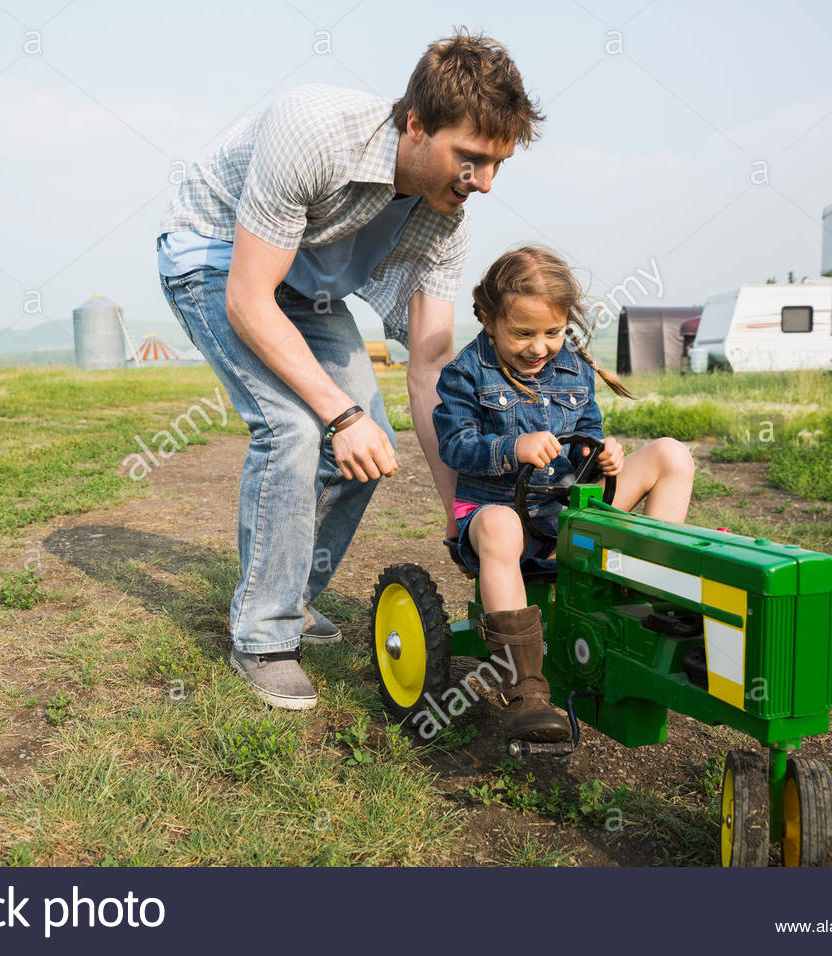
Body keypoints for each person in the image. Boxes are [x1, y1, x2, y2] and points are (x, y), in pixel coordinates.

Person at [157, 33, 544, 710]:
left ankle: (293, 597)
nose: (483, 182)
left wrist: (463, 510)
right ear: (416, 125)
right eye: (471, 158)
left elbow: (429, 368)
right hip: (216, 255)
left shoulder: (446, 224)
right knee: (294, 429)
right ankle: (263, 637)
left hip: (300, 281)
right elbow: (249, 298)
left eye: (496, 165)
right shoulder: (312, 129)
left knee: (375, 443)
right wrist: (339, 413)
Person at [434, 246, 695, 741]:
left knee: (671, 454)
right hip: (499, 513)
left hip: (563, 513)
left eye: (552, 333)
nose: (538, 347)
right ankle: (526, 691)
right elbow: (455, 444)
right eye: (523, 333)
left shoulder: (572, 369)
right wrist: (513, 447)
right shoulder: (465, 374)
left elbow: (587, 436)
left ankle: (648, 600)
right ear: (489, 320)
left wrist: (602, 456)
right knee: (500, 524)